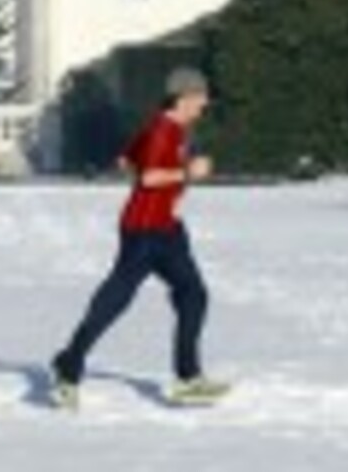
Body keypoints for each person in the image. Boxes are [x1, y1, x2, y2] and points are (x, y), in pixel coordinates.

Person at [50, 67, 229, 409]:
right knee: (115, 301)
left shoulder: (168, 128)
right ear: (185, 96)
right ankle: (69, 365)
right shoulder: (163, 130)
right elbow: (147, 177)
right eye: (201, 97)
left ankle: (188, 379)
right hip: (144, 231)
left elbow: (124, 160)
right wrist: (186, 172)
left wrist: (170, 189)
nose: (205, 104)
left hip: (167, 229)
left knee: (193, 294)